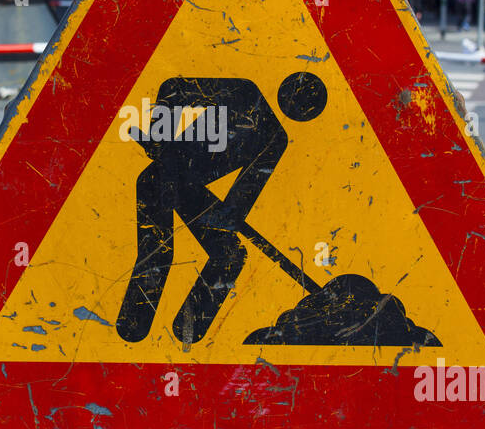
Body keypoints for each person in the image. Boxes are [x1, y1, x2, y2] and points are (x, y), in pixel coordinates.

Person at [116, 72, 328, 346]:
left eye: (307, 104)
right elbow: (174, 88)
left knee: (229, 255)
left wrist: (229, 214)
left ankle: (186, 330)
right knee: (158, 250)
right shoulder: (245, 92)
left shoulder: (275, 139)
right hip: (158, 179)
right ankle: (132, 328)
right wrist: (161, 138)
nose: (298, 105)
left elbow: (242, 196)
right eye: (301, 98)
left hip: (189, 189)